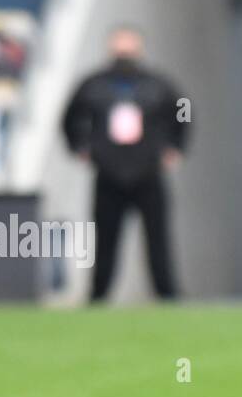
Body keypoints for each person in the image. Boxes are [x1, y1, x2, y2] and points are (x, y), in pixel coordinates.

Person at [62, 26, 187, 302]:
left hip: (148, 172)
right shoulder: (93, 85)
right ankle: (99, 294)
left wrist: (176, 148)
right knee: (105, 240)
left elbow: (184, 110)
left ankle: (167, 294)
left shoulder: (158, 85)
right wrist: (80, 147)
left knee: (157, 239)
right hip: (108, 173)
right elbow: (70, 116)